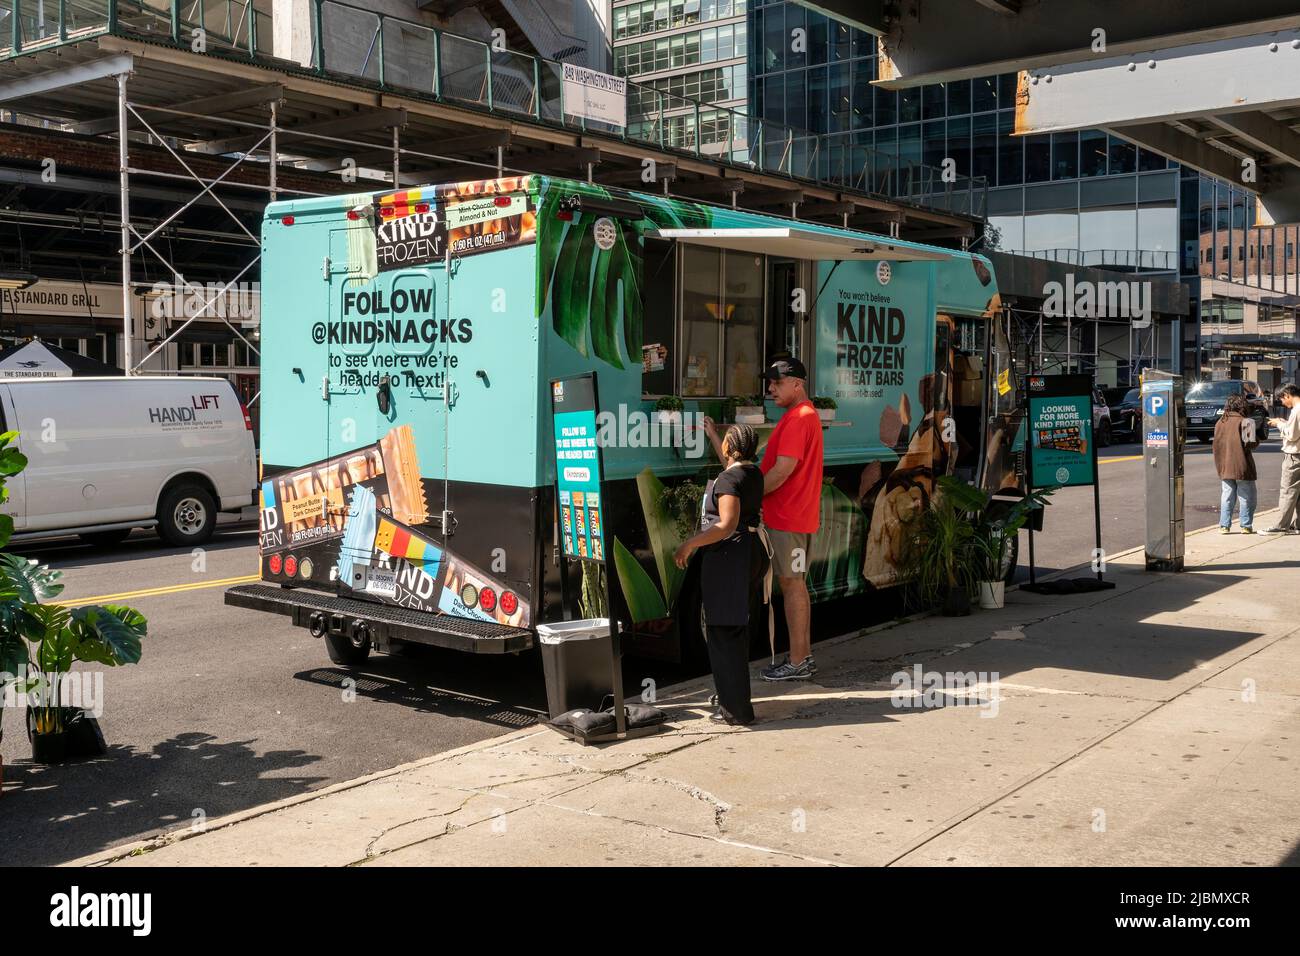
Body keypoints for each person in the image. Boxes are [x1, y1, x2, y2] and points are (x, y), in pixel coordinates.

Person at [674, 424, 768, 725]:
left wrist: (689, 544)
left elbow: (726, 525)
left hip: (730, 557)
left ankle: (735, 711)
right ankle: (737, 704)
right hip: (751, 553)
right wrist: (713, 433)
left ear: (734, 448)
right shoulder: (752, 473)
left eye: (726, 441)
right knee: (736, 630)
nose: (723, 446)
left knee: (723, 633)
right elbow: (729, 467)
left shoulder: (729, 479)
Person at [756, 358, 824, 680]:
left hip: (788, 518)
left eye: (777, 383)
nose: (771, 389)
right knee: (795, 585)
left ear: (797, 383)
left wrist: (748, 498)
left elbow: (783, 470)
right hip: (791, 517)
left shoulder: (800, 417)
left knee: (792, 585)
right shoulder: (801, 416)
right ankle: (803, 657)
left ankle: (798, 663)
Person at [1213, 394, 1260, 534]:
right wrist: (1258, 437)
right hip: (1242, 465)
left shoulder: (1220, 422)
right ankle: (1245, 525)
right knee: (1246, 495)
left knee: (1227, 495)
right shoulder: (1247, 421)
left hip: (1224, 466)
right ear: (1243, 406)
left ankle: (1224, 525)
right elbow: (1250, 444)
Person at [1265, 384, 1300, 534]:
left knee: (1288, 491)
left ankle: (1280, 525)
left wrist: (1279, 424)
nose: (1283, 403)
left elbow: (1292, 435)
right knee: (1298, 494)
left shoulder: (1297, 410)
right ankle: (1298, 524)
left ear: (1287, 395)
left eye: (1282, 399)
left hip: (1294, 456)